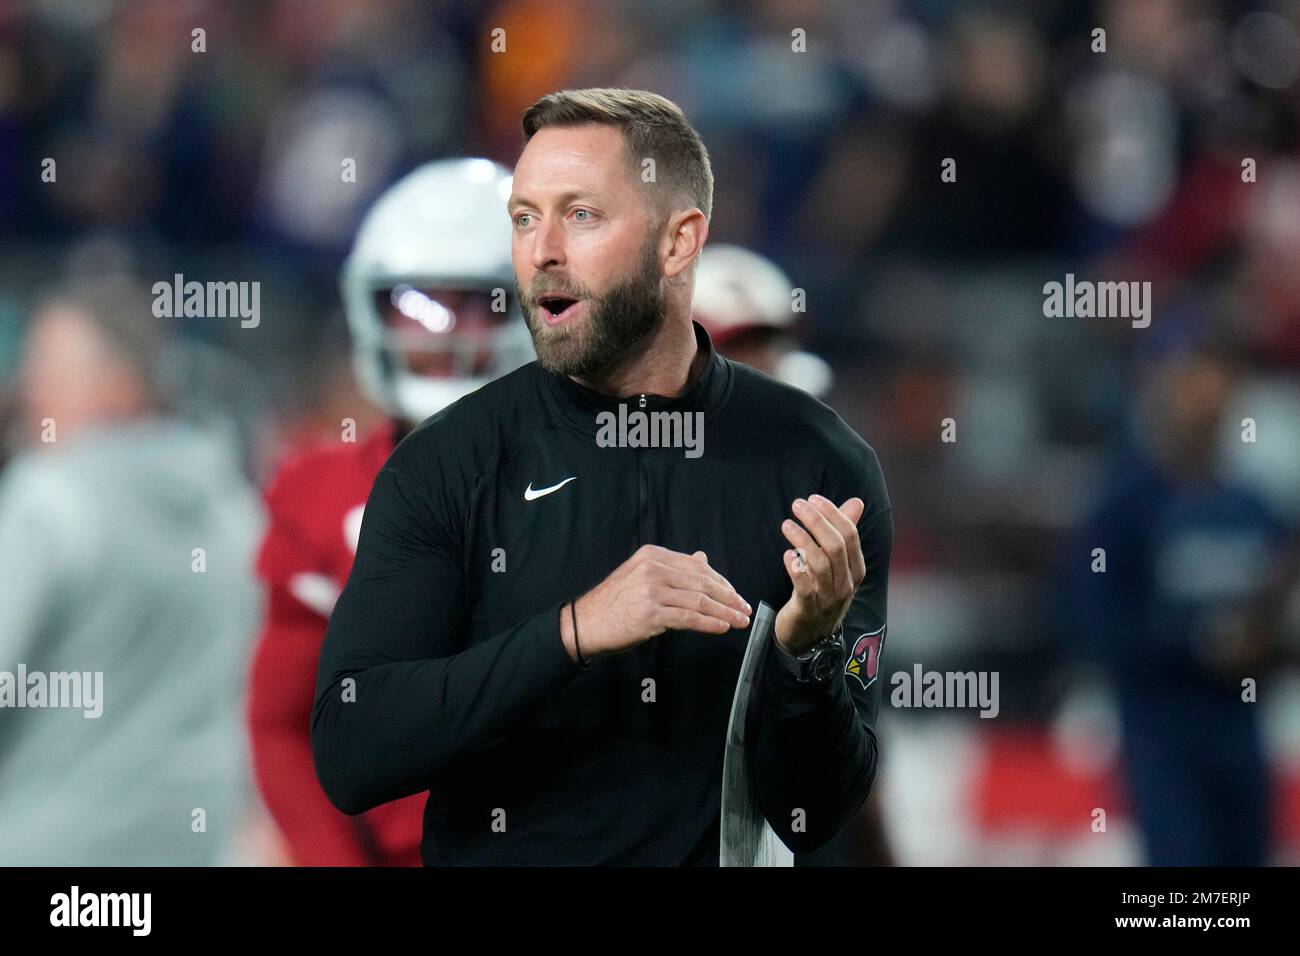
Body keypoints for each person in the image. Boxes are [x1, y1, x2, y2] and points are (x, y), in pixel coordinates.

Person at [312, 88, 894, 865]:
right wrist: (573, 632)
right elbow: (352, 749)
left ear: (679, 242)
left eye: (580, 216)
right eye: (524, 218)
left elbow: (813, 812)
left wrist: (805, 653)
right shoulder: (446, 463)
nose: (540, 250)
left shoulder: (819, 466)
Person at [246, 158, 532, 865]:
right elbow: (280, 722)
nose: (436, 332)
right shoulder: (322, 495)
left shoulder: (601, 474)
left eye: (470, 303)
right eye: (411, 304)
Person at [0, 277, 261, 865]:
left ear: (121, 387)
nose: (28, 392)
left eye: (50, 369)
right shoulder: (235, 509)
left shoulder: (50, 500)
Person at [693, 243, 895, 867]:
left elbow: (851, 722)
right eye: (736, 351)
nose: (754, 372)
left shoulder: (837, 493)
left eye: (765, 350)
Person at [1067, 341, 1294, 865]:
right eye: (1193, 383)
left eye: (1219, 385)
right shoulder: (1126, 508)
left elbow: (1278, 615)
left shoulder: (1255, 509)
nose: (1207, 402)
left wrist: (1268, 644)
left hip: (1240, 730)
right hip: (1163, 734)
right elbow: (1093, 621)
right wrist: (1199, 646)